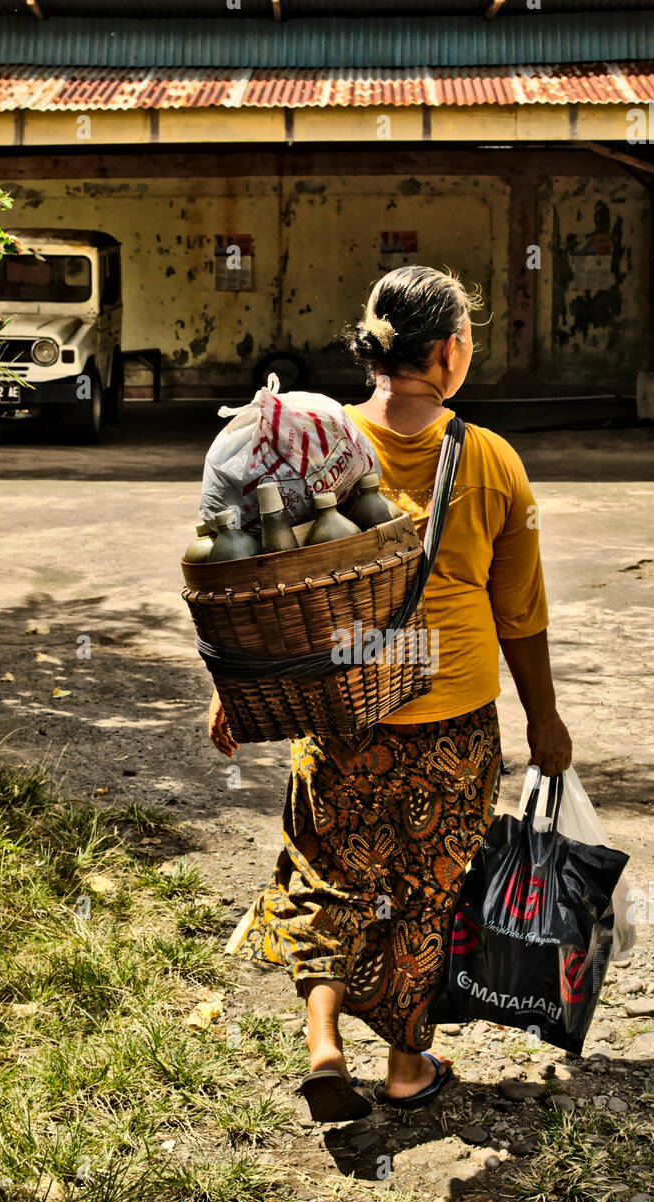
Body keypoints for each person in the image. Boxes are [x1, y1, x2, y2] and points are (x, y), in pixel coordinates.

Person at [209, 266, 572, 1122]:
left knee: (322, 872)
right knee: (428, 887)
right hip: (451, 718)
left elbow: (255, 579)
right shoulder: (489, 460)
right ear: (449, 351)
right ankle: (408, 1067)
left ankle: (323, 1044)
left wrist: (234, 686)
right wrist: (545, 719)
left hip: (338, 708)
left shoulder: (311, 444)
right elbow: (518, 612)